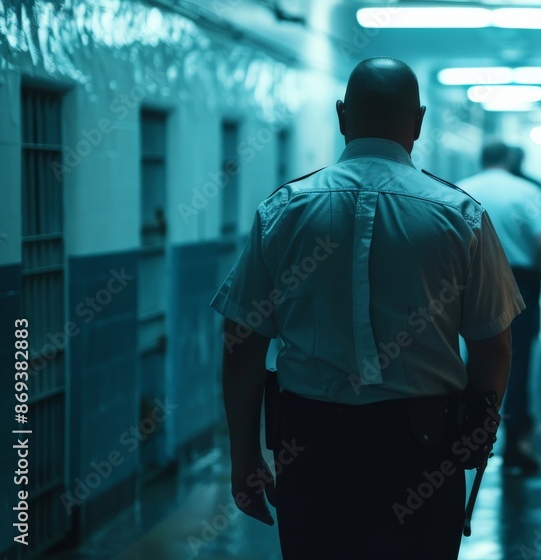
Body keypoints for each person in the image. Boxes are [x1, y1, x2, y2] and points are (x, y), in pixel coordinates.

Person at [210, 57, 524, 559]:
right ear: (418, 122)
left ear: (341, 116)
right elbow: (493, 343)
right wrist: (476, 429)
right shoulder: (460, 216)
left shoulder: (283, 211)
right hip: (424, 447)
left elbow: (241, 343)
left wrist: (244, 455)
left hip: (309, 445)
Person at [459, 142, 541, 474]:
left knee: (464, 354)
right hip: (519, 279)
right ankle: (513, 440)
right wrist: (537, 273)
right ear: (510, 160)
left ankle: (464, 431)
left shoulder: (460, 190)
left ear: (481, 157)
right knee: (515, 356)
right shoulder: (528, 192)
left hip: (465, 279)